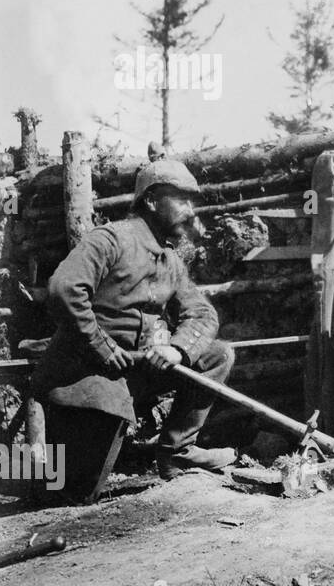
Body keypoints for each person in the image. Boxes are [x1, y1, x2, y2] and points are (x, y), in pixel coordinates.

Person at [31, 160, 237, 487]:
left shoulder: (169, 259)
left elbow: (202, 313)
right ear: (152, 201)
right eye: (181, 200)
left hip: (139, 368)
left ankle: (177, 451)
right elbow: (65, 290)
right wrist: (101, 346)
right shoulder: (110, 240)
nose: (191, 210)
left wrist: (177, 350)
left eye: (192, 201)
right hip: (89, 372)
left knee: (218, 354)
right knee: (76, 492)